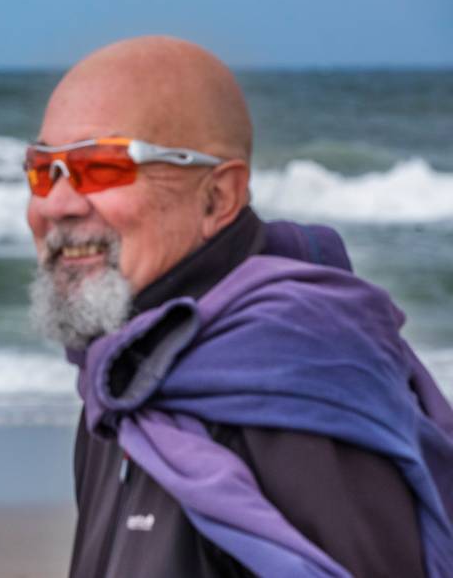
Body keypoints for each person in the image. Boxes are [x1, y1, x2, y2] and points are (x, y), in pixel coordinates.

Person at [25, 36, 453, 577]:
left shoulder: (299, 384)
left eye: (104, 166)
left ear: (218, 197)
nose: (54, 205)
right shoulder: (121, 379)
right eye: (43, 171)